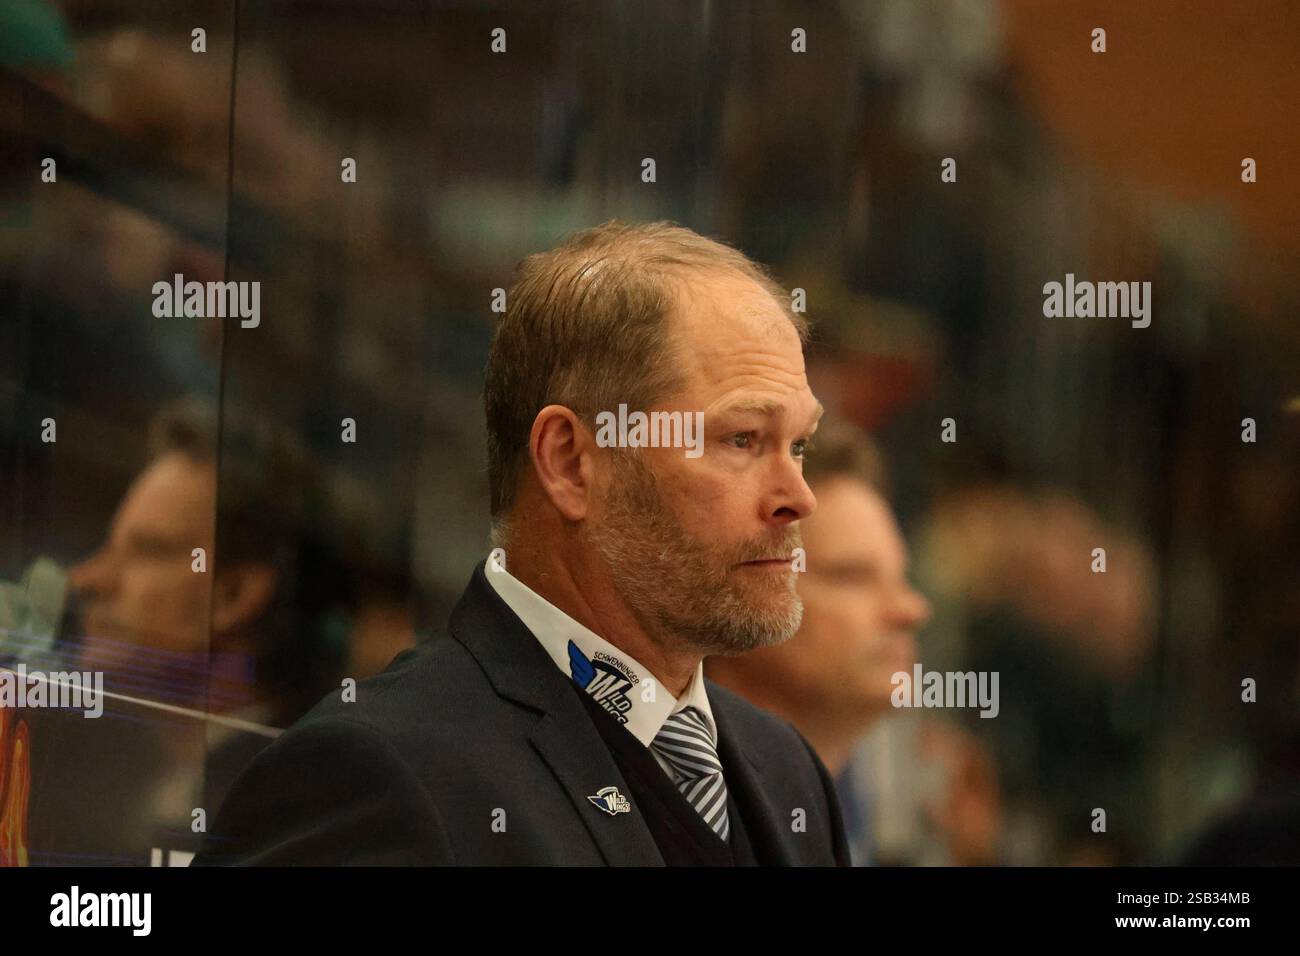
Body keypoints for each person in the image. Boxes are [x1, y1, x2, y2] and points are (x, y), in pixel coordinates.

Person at [194, 219, 850, 865]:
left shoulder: (788, 773)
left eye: (800, 444)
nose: (799, 495)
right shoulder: (377, 775)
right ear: (569, 463)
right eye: (742, 439)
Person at [705, 420, 940, 863]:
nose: (910, 609)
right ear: (743, 592)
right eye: (852, 576)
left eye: (900, 577)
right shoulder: (677, 822)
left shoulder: (888, 813)